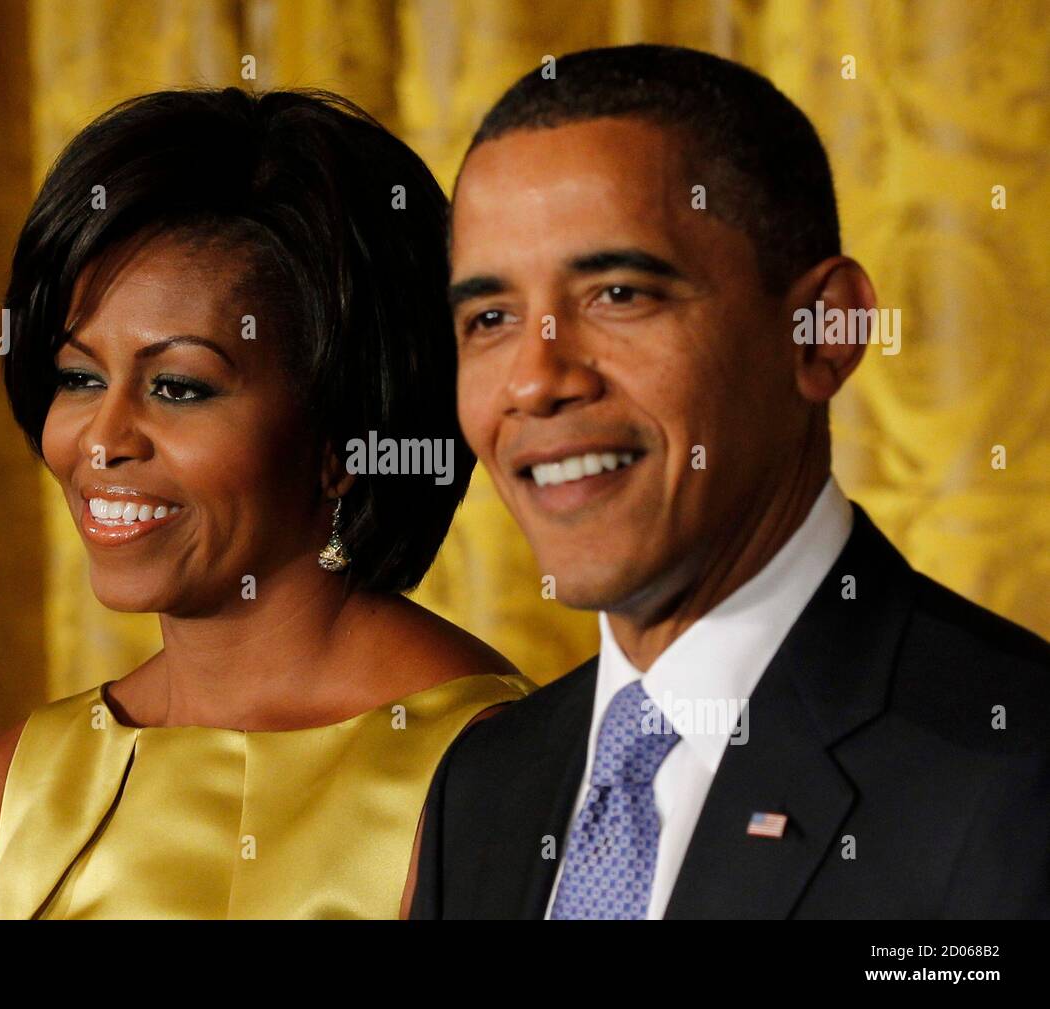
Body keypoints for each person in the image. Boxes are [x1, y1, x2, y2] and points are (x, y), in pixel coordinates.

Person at [412, 45, 1050, 919]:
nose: (534, 378)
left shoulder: (1014, 772)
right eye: (490, 318)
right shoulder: (484, 787)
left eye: (620, 294)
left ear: (822, 332)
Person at [0, 87, 531, 920]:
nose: (102, 440)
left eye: (178, 386)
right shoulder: (13, 788)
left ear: (343, 438)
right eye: (79, 378)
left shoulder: (499, 777)